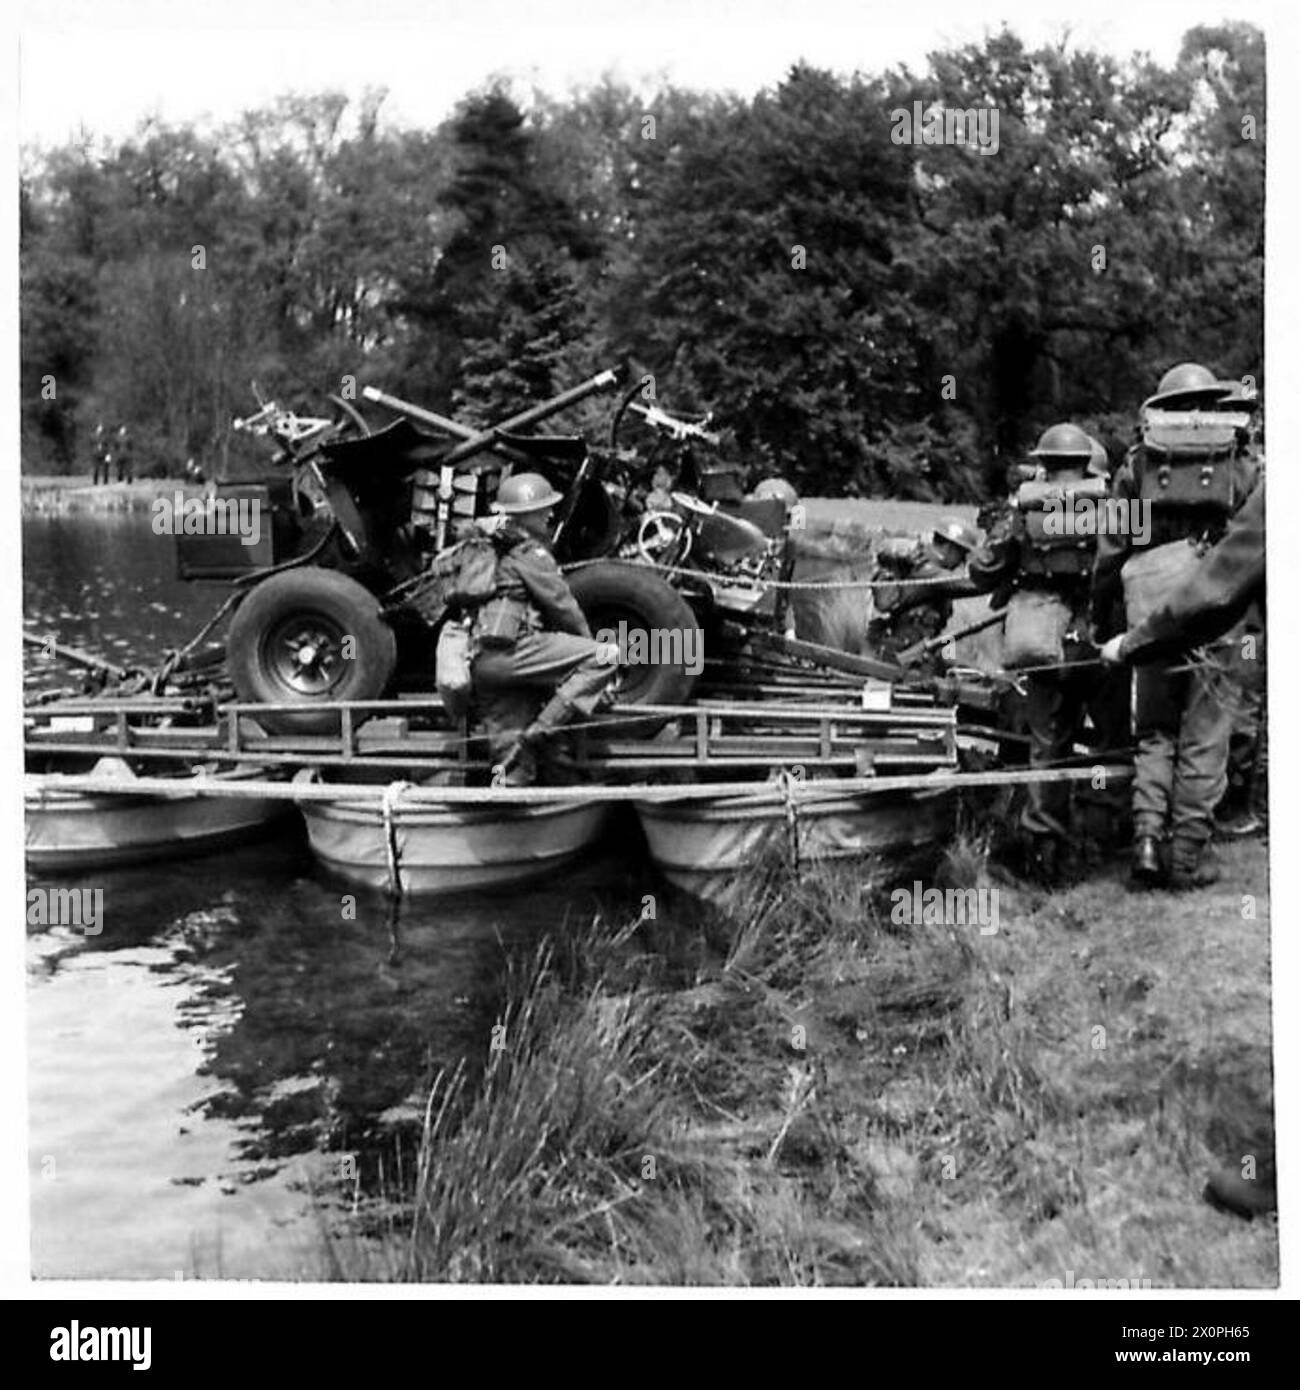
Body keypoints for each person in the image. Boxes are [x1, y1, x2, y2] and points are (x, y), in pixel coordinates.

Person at [1091, 363, 1260, 890]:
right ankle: (1186, 856)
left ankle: (1145, 840)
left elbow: (1112, 552)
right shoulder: (1242, 462)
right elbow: (1247, 552)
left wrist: (1105, 620)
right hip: (1222, 617)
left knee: (1154, 731)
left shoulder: (1139, 465)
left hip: (1153, 614)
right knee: (1206, 733)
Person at [969, 423, 1129, 883]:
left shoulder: (1024, 509)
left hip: (1041, 640)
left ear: (1044, 461)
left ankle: (1044, 853)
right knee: (1112, 738)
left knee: (1047, 746)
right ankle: (1108, 837)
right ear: (1086, 461)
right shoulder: (1112, 506)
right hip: (1099, 640)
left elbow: (983, 571)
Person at [468, 471, 620, 786]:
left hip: (485, 661)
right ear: (525, 515)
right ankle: (543, 730)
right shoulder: (530, 554)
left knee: (509, 760)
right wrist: (593, 658)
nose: (551, 514)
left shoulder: (488, 544)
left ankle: (503, 804)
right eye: (543, 509)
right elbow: (564, 607)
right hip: (517, 652)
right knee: (607, 654)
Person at [867, 518, 979, 674]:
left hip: (922, 647)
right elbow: (972, 585)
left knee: (958, 666)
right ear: (948, 548)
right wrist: (1003, 576)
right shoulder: (928, 571)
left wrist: (952, 664)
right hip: (906, 652)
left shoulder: (928, 567)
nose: (962, 561)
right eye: (961, 553)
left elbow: (944, 637)